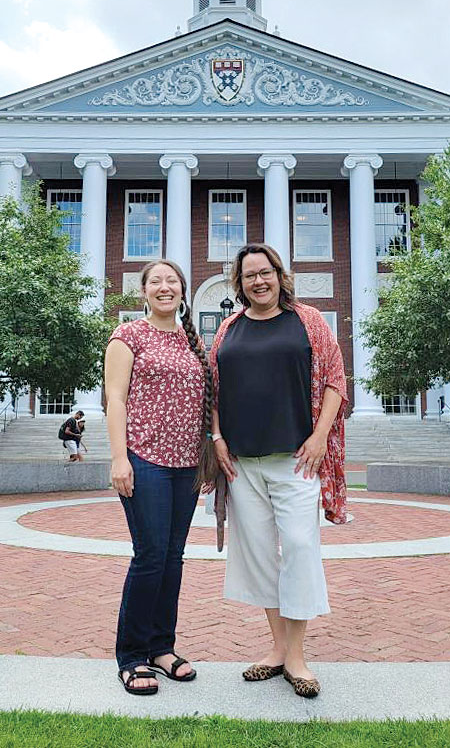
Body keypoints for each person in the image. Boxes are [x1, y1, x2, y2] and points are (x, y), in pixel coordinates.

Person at [209, 243, 348, 699]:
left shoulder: (307, 321)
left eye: (265, 272)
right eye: (249, 276)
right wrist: (217, 438)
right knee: (259, 556)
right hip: (243, 463)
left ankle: (298, 656)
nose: (258, 281)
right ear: (240, 283)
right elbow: (213, 388)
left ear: (279, 274)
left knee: (302, 547)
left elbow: (333, 381)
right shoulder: (229, 328)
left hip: (297, 458)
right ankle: (276, 649)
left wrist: (319, 437)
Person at [105, 259, 211, 696]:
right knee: (149, 556)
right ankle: (131, 656)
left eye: (172, 281)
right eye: (156, 282)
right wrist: (119, 459)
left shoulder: (193, 341)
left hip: (186, 463)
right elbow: (115, 398)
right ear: (144, 290)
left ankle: (161, 648)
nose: (164, 288)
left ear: (182, 290)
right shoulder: (127, 336)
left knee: (173, 557)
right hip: (143, 458)